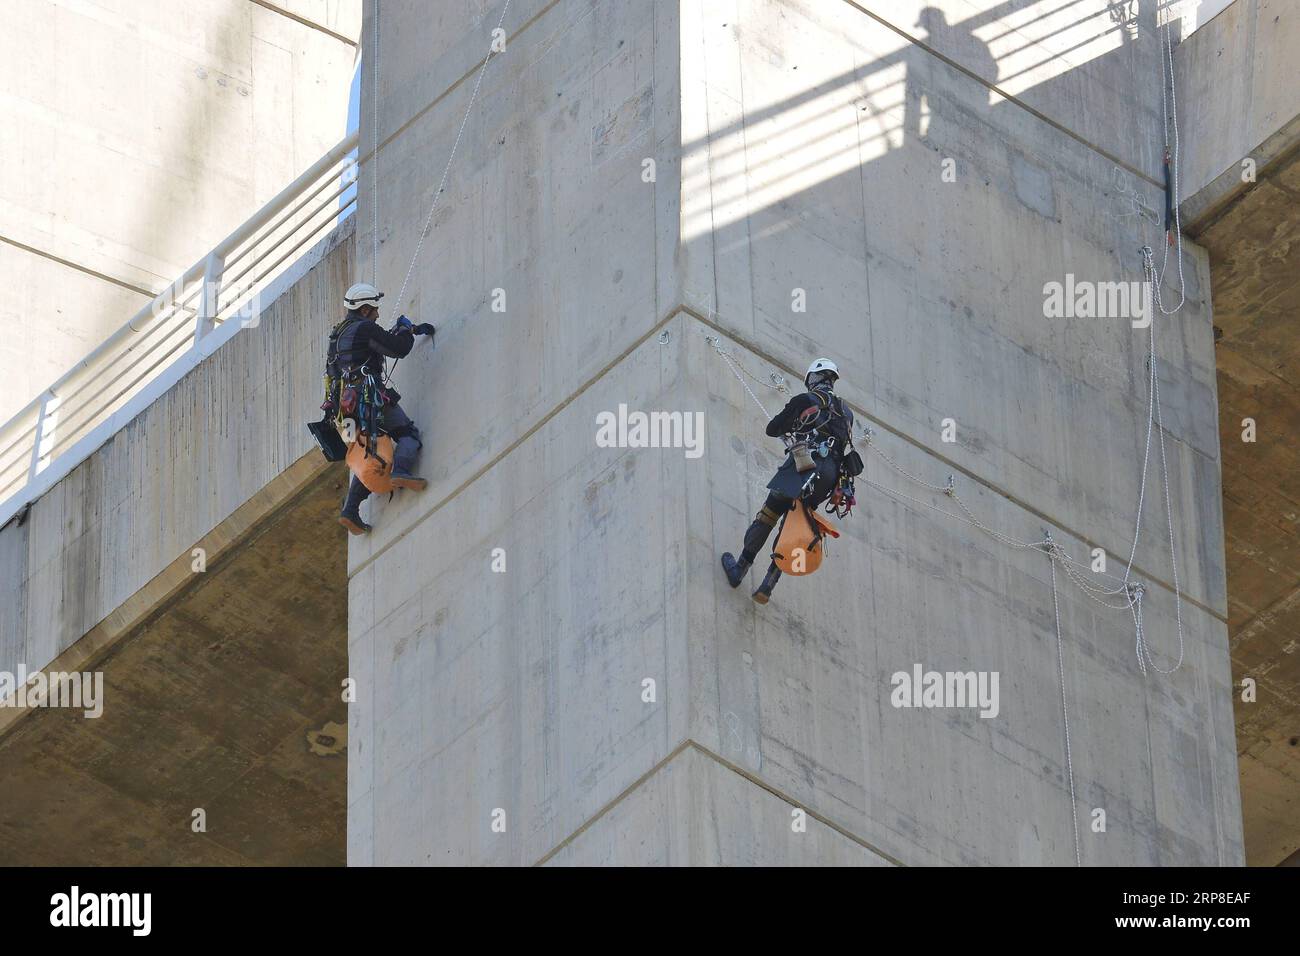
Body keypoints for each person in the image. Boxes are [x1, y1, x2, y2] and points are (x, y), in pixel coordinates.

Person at [721, 358, 855, 603]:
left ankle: (739, 569)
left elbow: (772, 429)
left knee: (768, 516)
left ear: (813, 378)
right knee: (794, 524)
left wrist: (793, 426)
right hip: (828, 478)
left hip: (805, 466)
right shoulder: (847, 413)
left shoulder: (807, 400)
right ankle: (767, 586)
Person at [324, 282, 435, 534]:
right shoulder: (365, 328)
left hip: (344, 409)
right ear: (363, 310)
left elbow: (374, 343)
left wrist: (408, 330)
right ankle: (402, 471)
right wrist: (406, 330)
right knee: (408, 434)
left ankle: (350, 509)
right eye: (374, 309)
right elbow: (399, 349)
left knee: (370, 454)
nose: (377, 314)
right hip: (369, 399)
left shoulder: (337, 335)